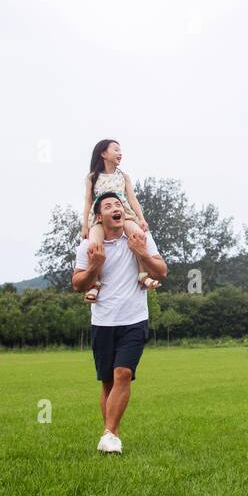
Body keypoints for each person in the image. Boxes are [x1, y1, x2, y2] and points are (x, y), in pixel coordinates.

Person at [72, 192, 167, 455]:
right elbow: (78, 284)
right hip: (102, 322)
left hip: (134, 319)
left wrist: (142, 253)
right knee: (107, 382)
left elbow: (162, 271)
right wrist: (94, 266)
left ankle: (109, 434)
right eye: (108, 206)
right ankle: (112, 434)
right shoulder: (89, 247)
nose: (115, 208)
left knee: (123, 373)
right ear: (99, 217)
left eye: (118, 204)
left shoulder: (139, 238)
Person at [81, 138, 150, 303]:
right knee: (94, 245)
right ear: (103, 154)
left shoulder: (123, 176)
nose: (120, 153)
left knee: (139, 235)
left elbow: (132, 199)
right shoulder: (92, 177)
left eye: (120, 151)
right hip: (98, 218)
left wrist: (141, 219)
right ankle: (94, 284)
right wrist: (85, 226)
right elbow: (88, 202)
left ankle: (143, 276)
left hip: (123, 214)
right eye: (116, 150)